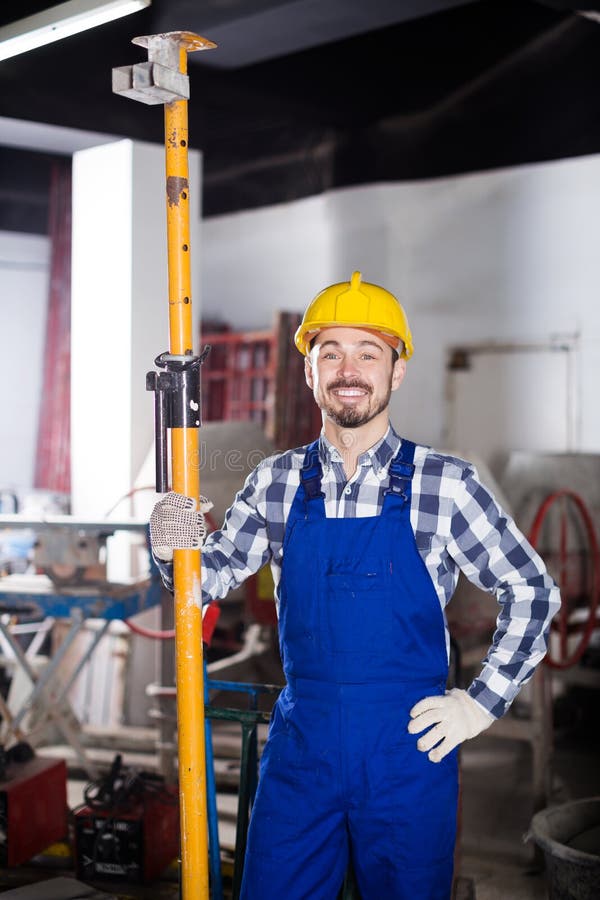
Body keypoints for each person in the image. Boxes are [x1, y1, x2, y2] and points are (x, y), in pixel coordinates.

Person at [150, 271, 560, 900]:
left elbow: (532, 590)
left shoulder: (445, 484)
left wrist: (480, 703)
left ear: (396, 371)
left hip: (408, 752)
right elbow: (204, 586)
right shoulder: (275, 482)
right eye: (331, 352)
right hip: (302, 748)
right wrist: (172, 551)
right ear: (309, 372)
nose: (350, 368)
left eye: (370, 353)